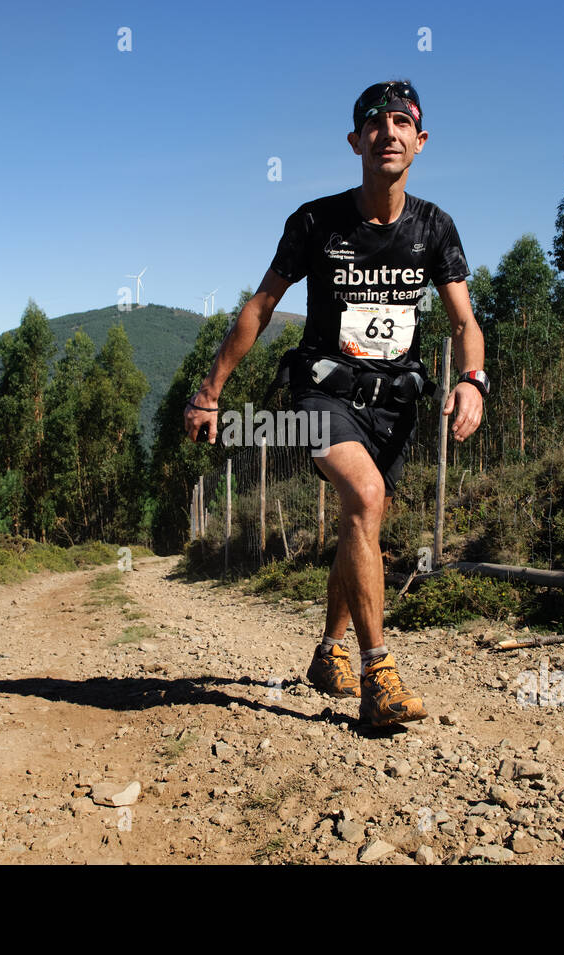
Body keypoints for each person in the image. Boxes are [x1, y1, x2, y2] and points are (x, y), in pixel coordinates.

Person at [184, 79, 488, 727]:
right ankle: (380, 674)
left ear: (421, 141)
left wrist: (474, 378)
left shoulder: (435, 228)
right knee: (366, 498)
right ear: (355, 140)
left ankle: (329, 650)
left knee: (364, 520)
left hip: (396, 402)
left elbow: (465, 320)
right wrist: (209, 393)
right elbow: (261, 308)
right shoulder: (315, 222)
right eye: (375, 123)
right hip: (321, 388)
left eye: (402, 122)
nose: (389, 132)